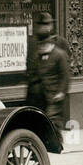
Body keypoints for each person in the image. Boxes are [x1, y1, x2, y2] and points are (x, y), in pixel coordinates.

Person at [25, 12, 70, 149]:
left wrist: (61, 92)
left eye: (46, 24)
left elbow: (65, 74)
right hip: (37, 95)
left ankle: (55, 144)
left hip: (52, 94)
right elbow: (30, 68)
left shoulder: (60, 46)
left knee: (51, 122)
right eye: (41, 25)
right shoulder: (34, 46)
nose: (43, 28)